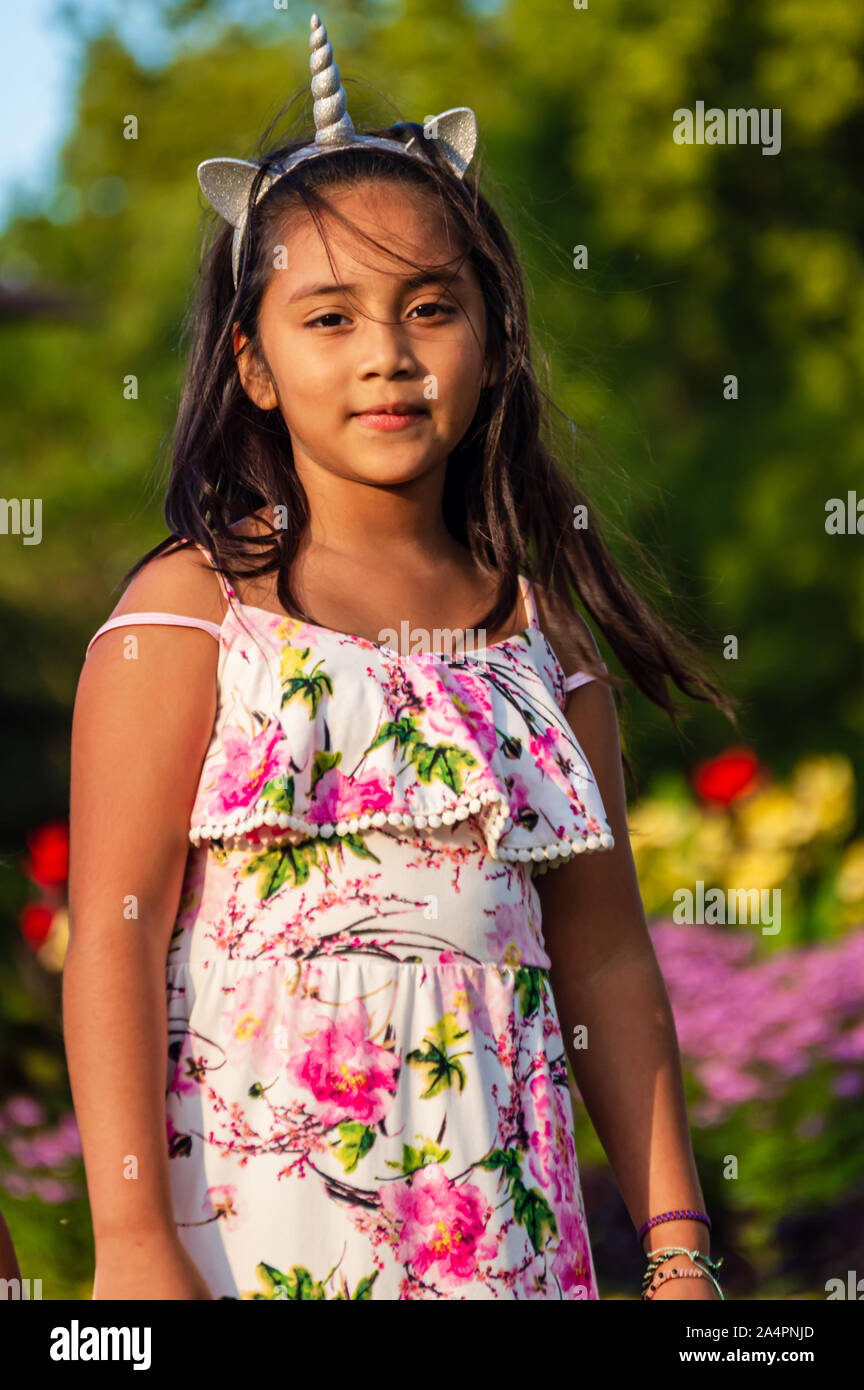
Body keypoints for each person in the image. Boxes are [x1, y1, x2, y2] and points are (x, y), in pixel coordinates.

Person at [65, 14, 735, 1301]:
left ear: (489, 341)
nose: (389, 353)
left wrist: (677, 1248)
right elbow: (111, 933)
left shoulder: (541, 648)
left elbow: (603, 955)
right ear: (254, 364)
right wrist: (132, 1243)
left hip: (507, 1237)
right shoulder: (195, 615)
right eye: (330, 317)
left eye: (432, 306)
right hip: (249, 1237)